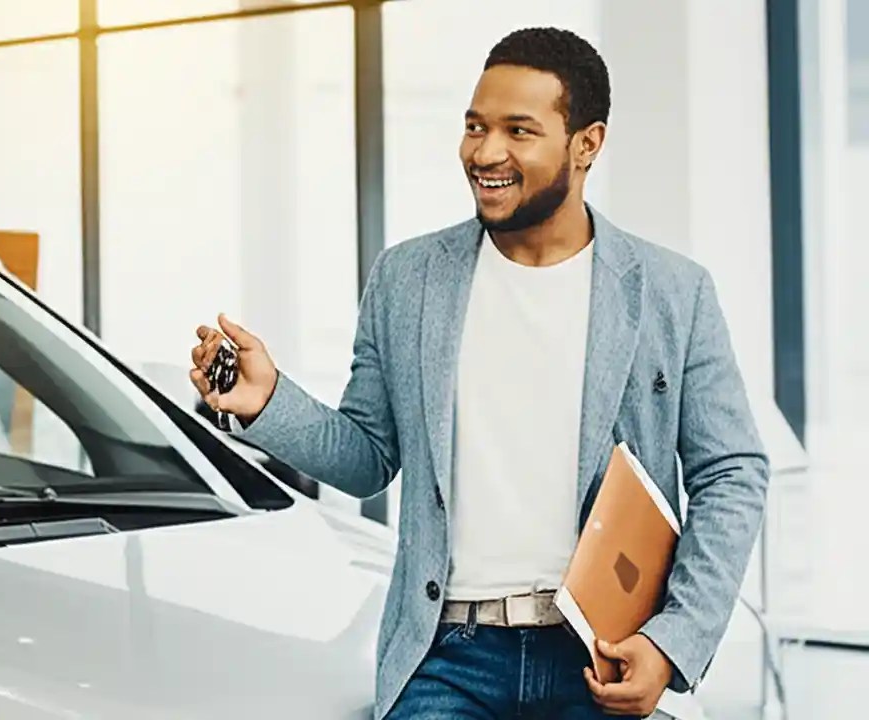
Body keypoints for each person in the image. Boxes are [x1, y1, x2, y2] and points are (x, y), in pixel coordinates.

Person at [188, 26, 768, 720]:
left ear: (586, 144)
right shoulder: (407, 279)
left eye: (518, 131)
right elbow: (369, 458)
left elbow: (731, 473)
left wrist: (673, 640)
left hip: (600, 655)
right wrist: (266, 402)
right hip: (447, 659)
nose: (485, 153)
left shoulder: (675, 292)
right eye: (474, 127)